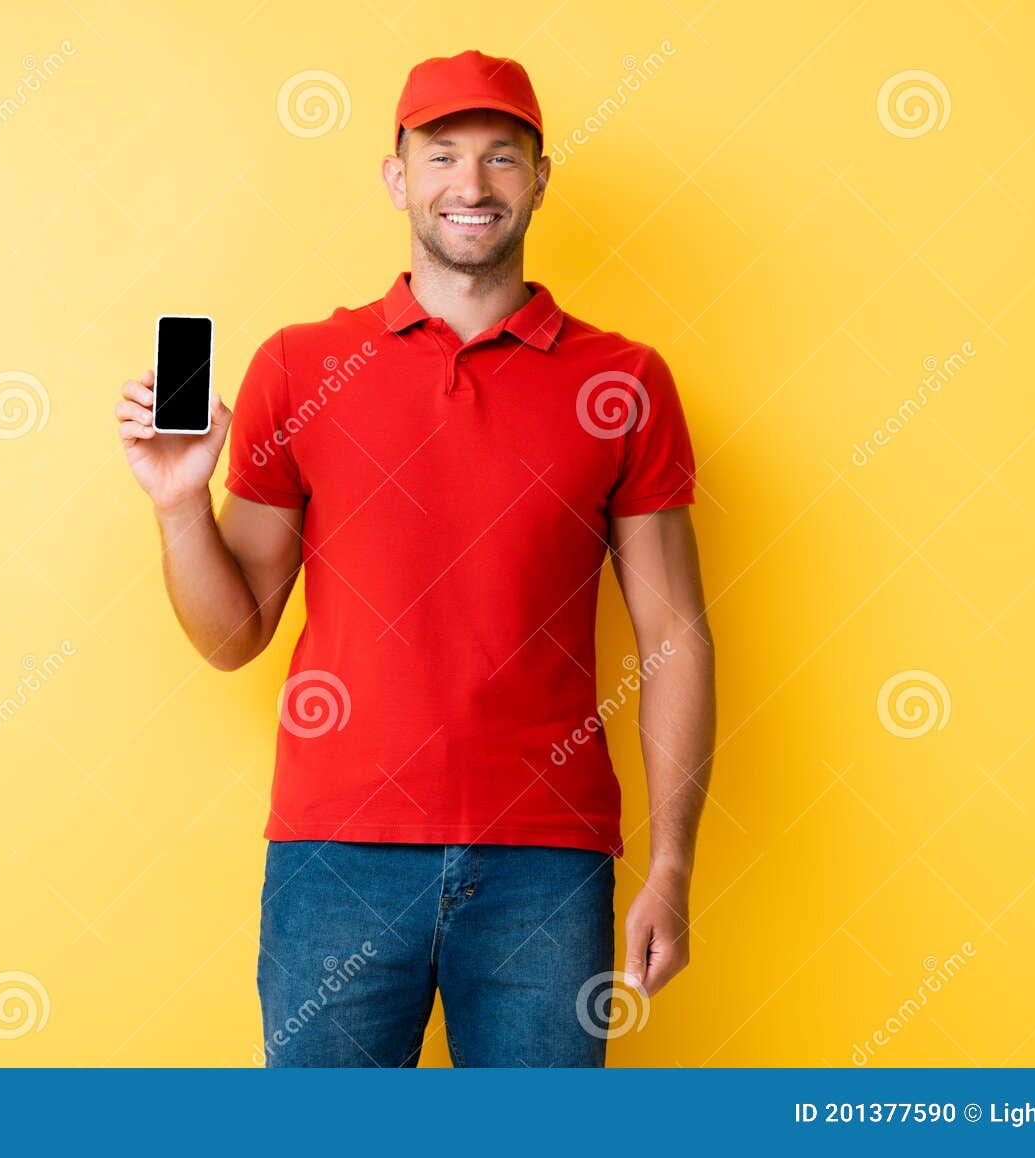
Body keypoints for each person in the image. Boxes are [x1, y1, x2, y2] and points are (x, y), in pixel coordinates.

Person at [113, 49, 715, 1067]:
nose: (470, 186)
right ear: (397, 178)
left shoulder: (624, 381)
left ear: (538, 178)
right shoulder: (300, 366)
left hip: (548, 865)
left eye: (500, 159)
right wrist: (179, 507)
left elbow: (674, 634)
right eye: (440, 157)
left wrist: (671, 865)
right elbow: (232, 637)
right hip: (335, 856)